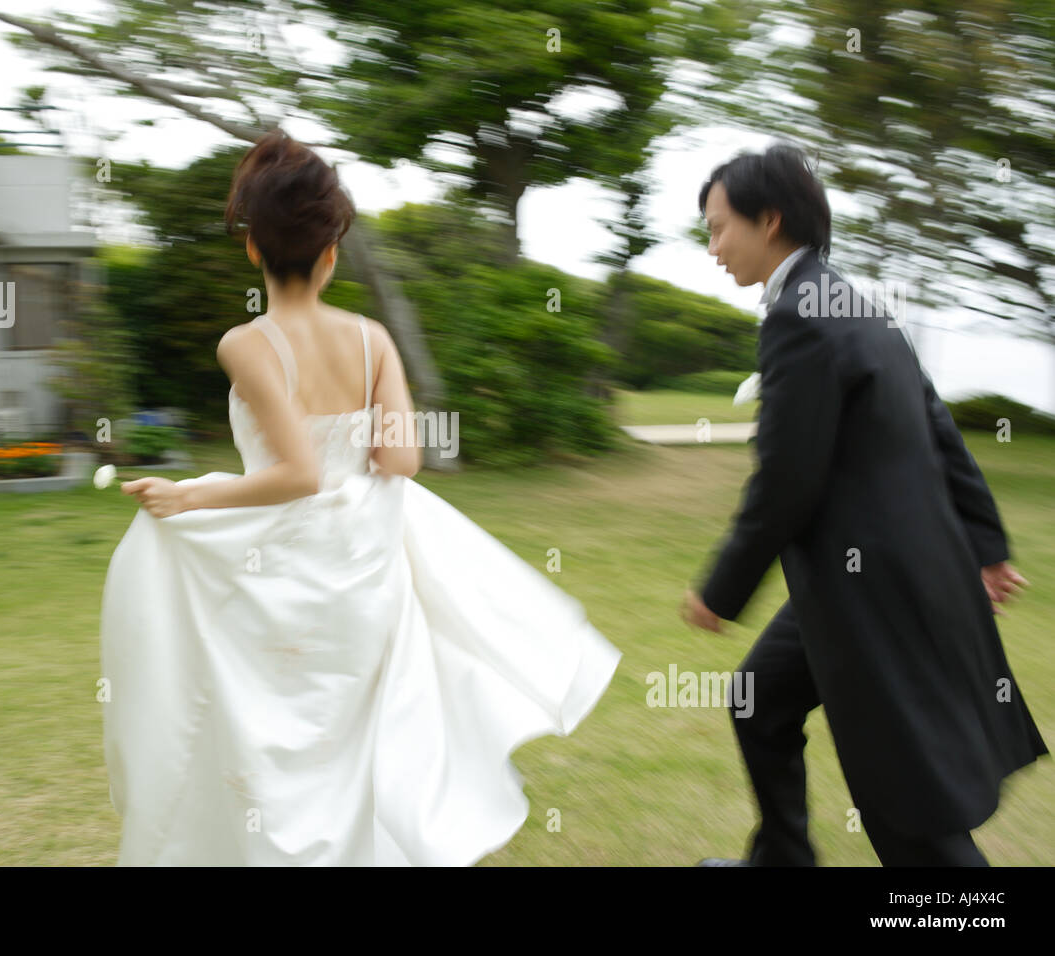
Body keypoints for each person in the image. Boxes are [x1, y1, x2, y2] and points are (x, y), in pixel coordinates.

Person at [99, 128, 621, 866]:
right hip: (364, 567)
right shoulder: (373, 338)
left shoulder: (246, 344)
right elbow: (401, 459)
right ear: (331, 252)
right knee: (355, 747)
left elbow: (298, 475)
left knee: (265, 732)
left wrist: (188, 499)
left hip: (281, 567)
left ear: (253, 248)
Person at [680, 144, 1048, 866]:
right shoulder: (849, 301)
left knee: (907, 806)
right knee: (760, 697)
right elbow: (940, 428)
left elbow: (787, 481)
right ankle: (782, 859)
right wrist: (987, 544)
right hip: (872, 575)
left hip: (873, 592)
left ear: (769, 220)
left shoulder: (799, 315)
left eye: (719, 228)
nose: (713, 247)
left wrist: (721, 589)